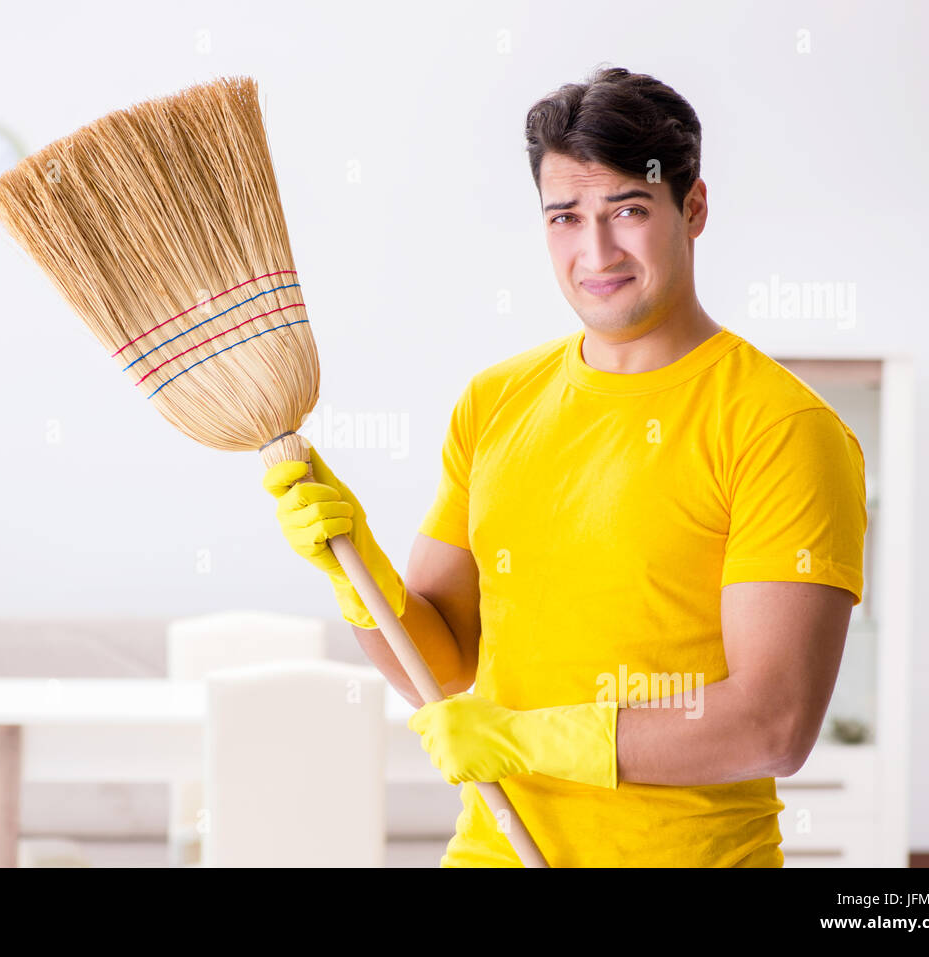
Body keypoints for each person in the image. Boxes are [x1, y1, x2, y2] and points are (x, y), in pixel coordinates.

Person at [262, 65, 867, 867]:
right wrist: (355, 569)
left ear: (693, 208)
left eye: (628, 210)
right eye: (565, 217)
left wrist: (528, 739)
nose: (597, 251)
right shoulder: (496, 401)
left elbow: (773, 724)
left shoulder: (781, 426)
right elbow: (439, 670)